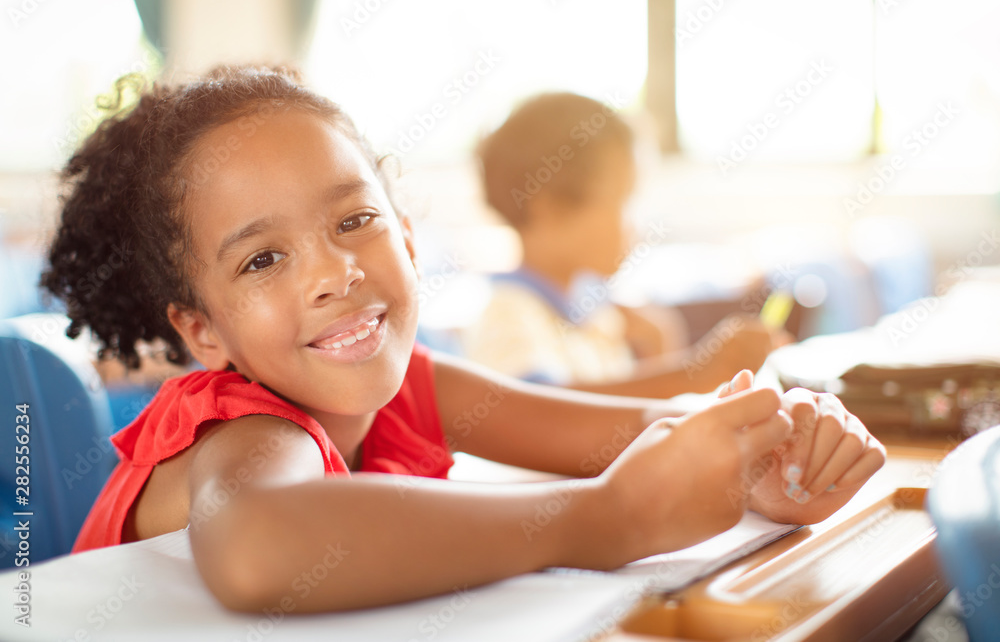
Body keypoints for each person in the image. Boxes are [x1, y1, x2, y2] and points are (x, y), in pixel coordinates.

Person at [42, 66, 885, 613]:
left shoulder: (408, 380)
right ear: (200, 327)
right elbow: (260, 548)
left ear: (407, 237)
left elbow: (611, 434)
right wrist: (605, 518)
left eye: (355, 219)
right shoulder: (238, 426)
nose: (332, 272)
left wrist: (766, 454)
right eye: (264, 258)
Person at [466, 92, 784, 397]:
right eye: (622, 202)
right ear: (550, 208)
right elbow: (537, 415)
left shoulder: (596, 309)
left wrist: (662, 346)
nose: (635, 226)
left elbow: (630, 420)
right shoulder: (508, 316)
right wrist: (691, 374)